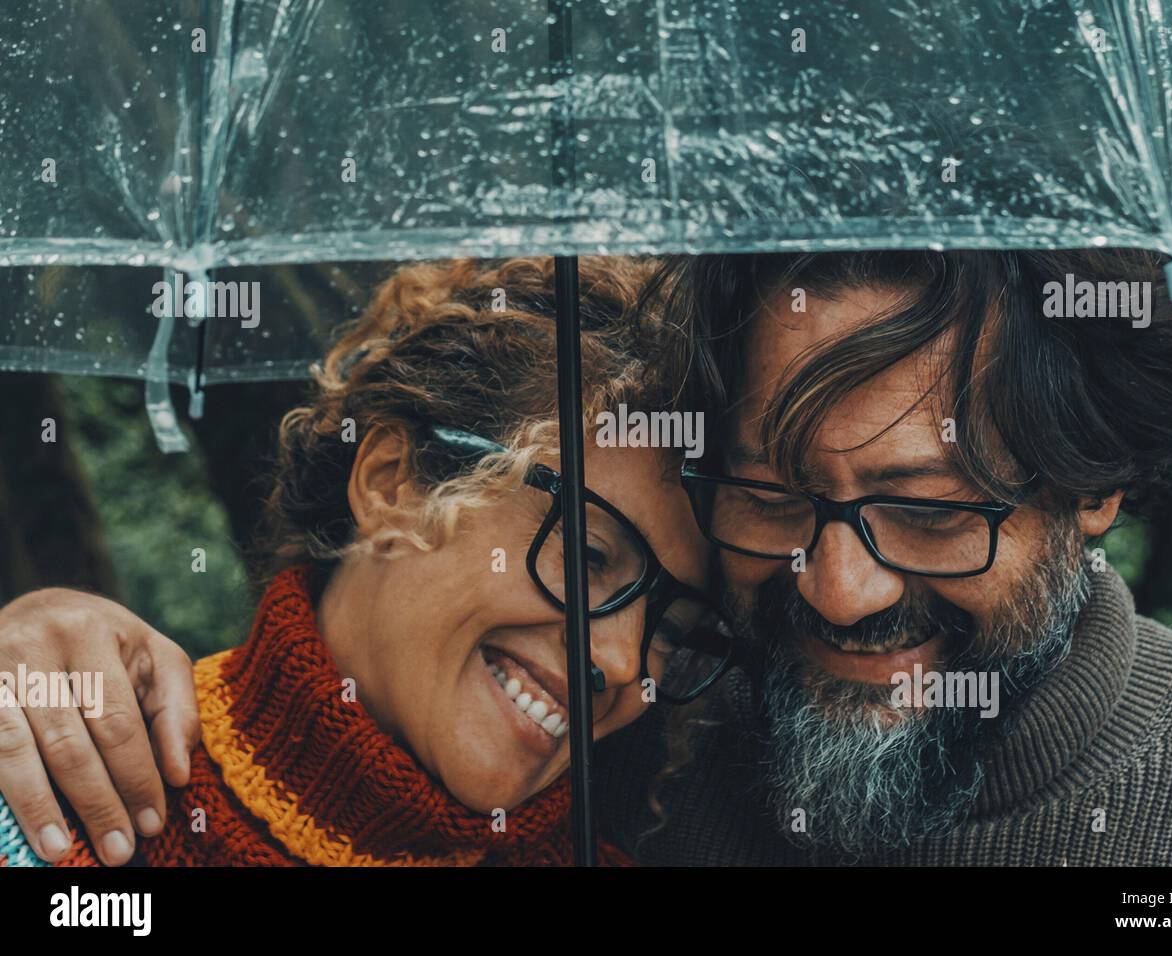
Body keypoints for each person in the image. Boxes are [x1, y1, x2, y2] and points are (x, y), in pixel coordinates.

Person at [5, 249, 1172, 866]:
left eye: (930, 511)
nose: (837, 589)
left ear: (1095, 492)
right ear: (394, 472)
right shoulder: (667, 772)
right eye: (774, 497)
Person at [0, 256, 730, 867]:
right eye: (589, 552)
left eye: (674, 626)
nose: (626, 663)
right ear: (390, 483)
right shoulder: (55, 804)